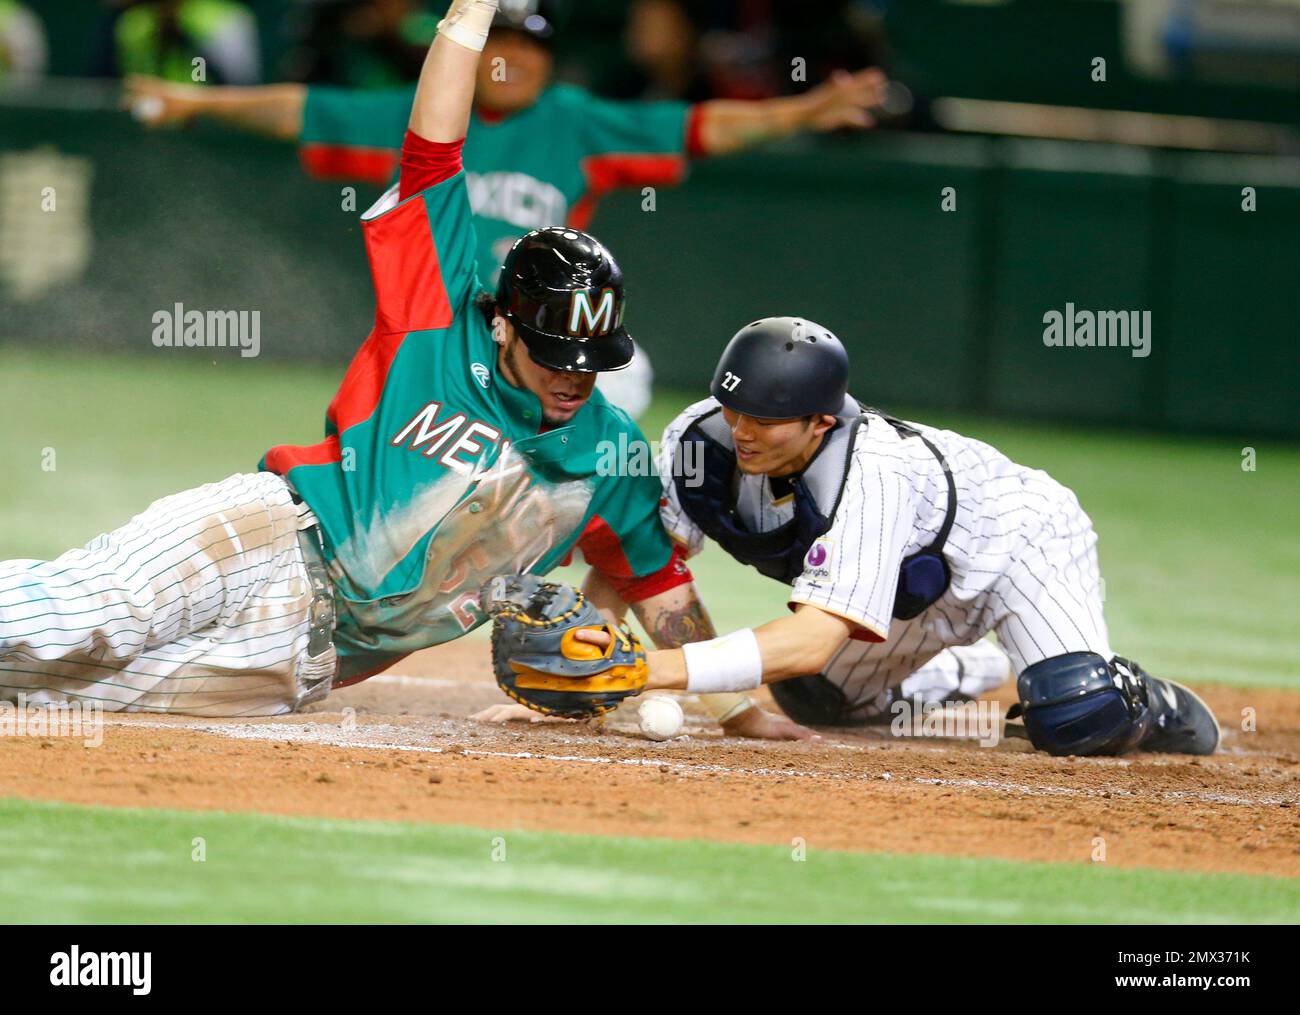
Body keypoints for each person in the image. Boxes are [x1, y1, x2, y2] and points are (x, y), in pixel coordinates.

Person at [0, 0, 802, 741]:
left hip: (302, 658)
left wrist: (739, 708)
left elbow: (663, 592)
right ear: (501, 322)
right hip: (268, 535)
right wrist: (466, 15)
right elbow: (432, 147)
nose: (573, 379)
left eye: (590, 363)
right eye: (555, 355)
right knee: (88, 612)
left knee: (61, 699)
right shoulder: (435, 309)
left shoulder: (609, 459)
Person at [480, 317, 1221, 757]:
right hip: (908, 595)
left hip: (1017, 544)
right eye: (734, 409)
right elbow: (638, 561)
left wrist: (635, 671)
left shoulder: (872, 473)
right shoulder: (698, 445)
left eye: (766, 419)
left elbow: (809, 635)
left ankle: (1145, 698)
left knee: (1071, 711)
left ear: (820, 423)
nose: (742, 431)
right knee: (811, 697)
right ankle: (960, 676)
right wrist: (576, 682)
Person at [122, 2, 887, 418]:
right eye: (500, 42)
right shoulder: (423, 114)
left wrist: (805, 109)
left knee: (620, 380)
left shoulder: (574, 120)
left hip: (541, 331)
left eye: (529, 47)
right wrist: (199, 99)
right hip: (441, 332)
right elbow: (306, 110)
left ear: (549, 60)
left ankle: (595, 548)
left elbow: (701, 126)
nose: (512, 57)